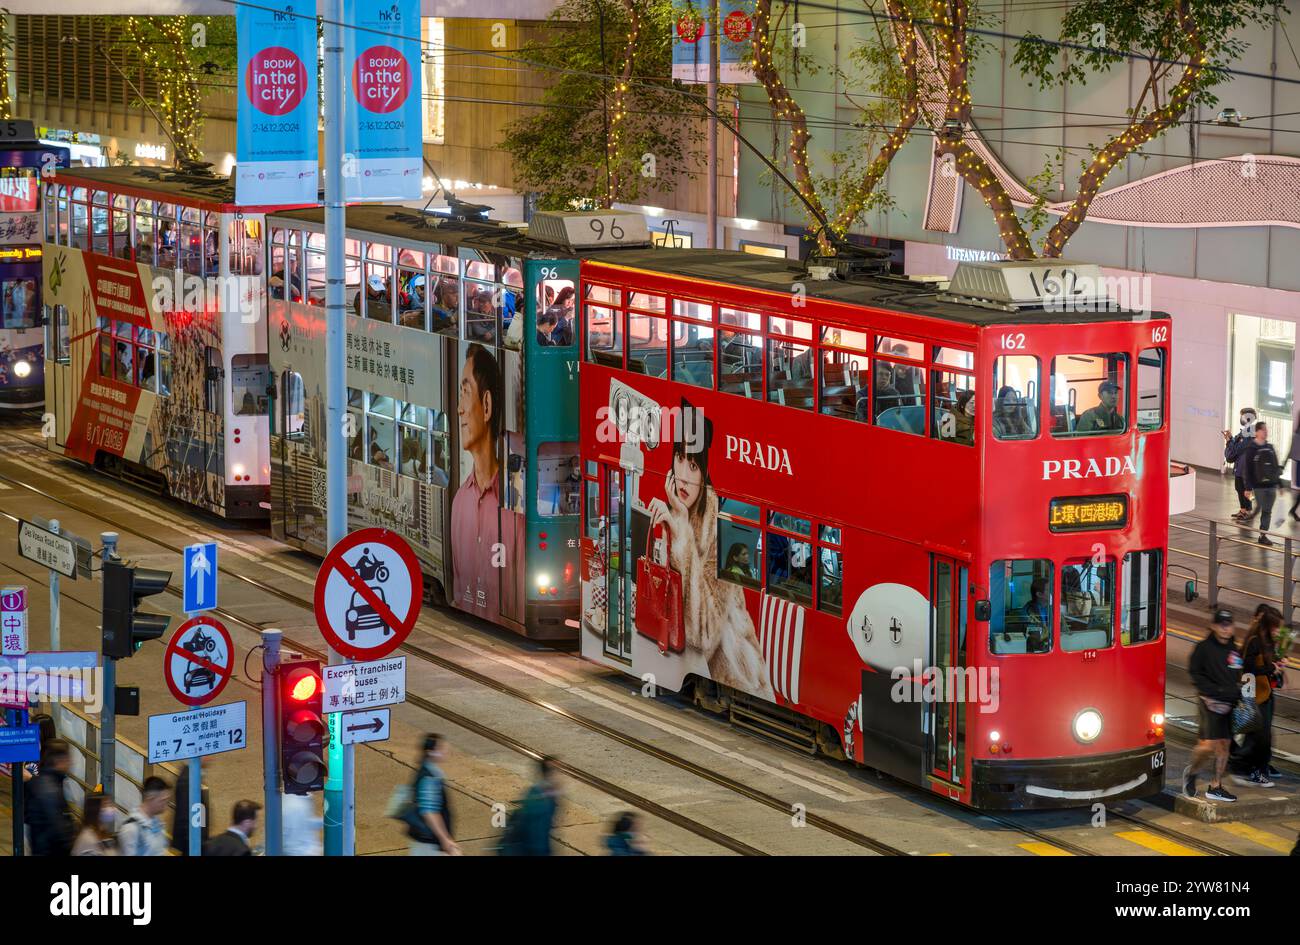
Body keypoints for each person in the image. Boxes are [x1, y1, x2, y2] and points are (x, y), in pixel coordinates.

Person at [647, 398, 773, 697]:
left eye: (694, 465)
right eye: (680, 457)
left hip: (742, 680)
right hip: (682, 662)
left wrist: (682, 537)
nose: (685, 476)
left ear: (705, 473)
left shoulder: (720, 530)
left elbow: (703, 634)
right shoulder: (678, 512)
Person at [450, 345, 519, 619]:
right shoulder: (459, 502)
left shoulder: (516, 507)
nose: (459, 410)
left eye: (465, 393)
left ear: (487, 405)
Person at [1184, 609, 1244, 803]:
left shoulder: (1234, 649)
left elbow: (1237, 673)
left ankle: (1216, 785)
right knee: (1207, 746)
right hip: (1209, 703)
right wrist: (1211, 693)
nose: (1226, 629)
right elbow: (1195, 673)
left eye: (1229, 625)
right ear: (1214, 626)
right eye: (1222, 625)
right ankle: (1192, 772)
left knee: (1224, 745)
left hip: (1229, 704)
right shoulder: (1203, 648)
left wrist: (1235, 694)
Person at [1231, 608, 1282, 786]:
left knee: (1262, 735)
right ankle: (1252, 768)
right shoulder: (1254, 642)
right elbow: (1249, 670)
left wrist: (1278, 664)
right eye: (1275, 627)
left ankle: (1259, 767)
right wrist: (1271, 668)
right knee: (1258, 736)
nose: (1277, 631)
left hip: (1265, 694)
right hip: (1254, 695)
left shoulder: (1268, 642)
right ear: (1267, 626)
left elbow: (1267, 667)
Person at [408, 733, 459, 855]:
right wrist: (445, 839)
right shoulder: (429, 777)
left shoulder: (428, 770)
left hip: (427, 840)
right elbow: (429, 812)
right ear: (431, 752)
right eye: (441, 748)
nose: (446, 751)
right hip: (429, 843)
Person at [498, 756, 559, 856]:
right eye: (557, 770)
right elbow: (536, 831)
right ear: (551, 773)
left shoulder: (541, 793)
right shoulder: (541, 798)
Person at [26, 738, 77, 856]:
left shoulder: (48, 782)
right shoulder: (49, 789)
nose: (71, 762)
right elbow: (59, 829)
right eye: (68, 758)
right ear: (58, 760)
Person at [1243, 421, 1282, 545]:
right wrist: (1248, 487)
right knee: (1264, 508)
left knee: (1267, 511)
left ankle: (1263, 535)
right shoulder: (1251, 448)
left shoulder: (1270, 447)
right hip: (1258, 486)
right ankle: (1255, 518)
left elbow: (1275, 466)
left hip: (1271, 485)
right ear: (1257, 432)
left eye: (1266, 429)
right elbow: (1247, 468)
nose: (1266, 432)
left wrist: (1279, 484)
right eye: (1264, 430)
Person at [118, 775, 171, 856]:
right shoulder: (131, 828)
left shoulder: (157, 823)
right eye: (163, 800)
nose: (166, 805)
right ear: (150, 798)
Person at [1225, 408, 1258, 521]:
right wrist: (1230, 439)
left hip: (1246, 467)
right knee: (1239, 488)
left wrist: (1230, 441)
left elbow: (1237, 449)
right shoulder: (1245, 431)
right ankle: (1243, 510)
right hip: (1240, 466)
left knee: (1246, 489)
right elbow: (1237, 445)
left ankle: (1247, 511)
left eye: (1242, 416)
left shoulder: (1250, 431)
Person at [170, 764, 209, 855]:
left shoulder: (193, 776)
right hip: (192, 845)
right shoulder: (188, 780)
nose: (210, 757)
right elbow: (185, 818)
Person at [1019, 579, 1052, 651]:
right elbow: (1036, 635)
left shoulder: (1053, 607)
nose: (1053, 592)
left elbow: (1064, 630)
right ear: (1039, 594)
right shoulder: (1028, 611)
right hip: (1036, 650)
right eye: (1049, 589)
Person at [1288, 410, 1300, 521]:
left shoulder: (1297, 433)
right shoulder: (1298, 434)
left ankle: (1293, 510)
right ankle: (1293, 510)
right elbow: (1294, 451)